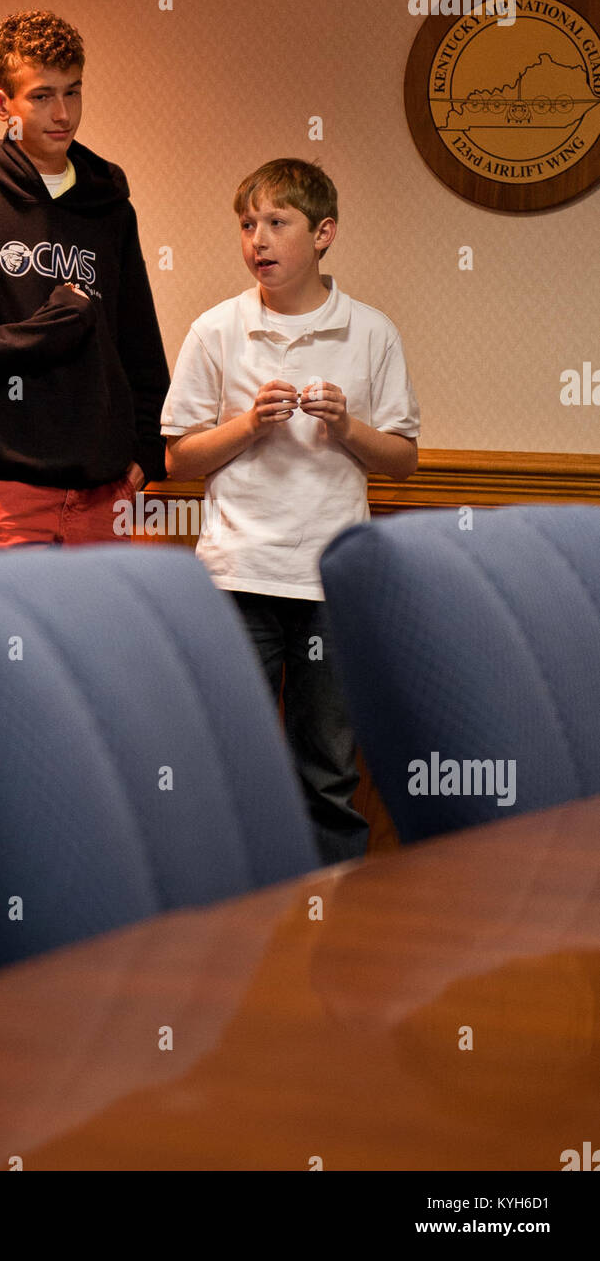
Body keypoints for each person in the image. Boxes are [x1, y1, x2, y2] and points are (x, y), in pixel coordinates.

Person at [161, 158, 421, 864]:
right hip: (235, 575)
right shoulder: (215, 329)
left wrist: (346, 428)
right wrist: (248, 425)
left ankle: (329, 922)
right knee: (227, 762)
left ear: (323, 232)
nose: (257, 240)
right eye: (247, 225)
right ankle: (226, 919)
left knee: (328, 774)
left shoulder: (370, 332)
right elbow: (177, 460)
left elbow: (402, 460)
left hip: (330, 582)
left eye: (277, 223)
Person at [0, 9, 169, 549]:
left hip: (103, 488)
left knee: (93, 637)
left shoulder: (110, 206)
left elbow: (137, 338)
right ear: (2, 105)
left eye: (74, 92)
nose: (62, 113)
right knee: (0, 637)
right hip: (3, 486)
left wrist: (144, 452)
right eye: (41, 96)